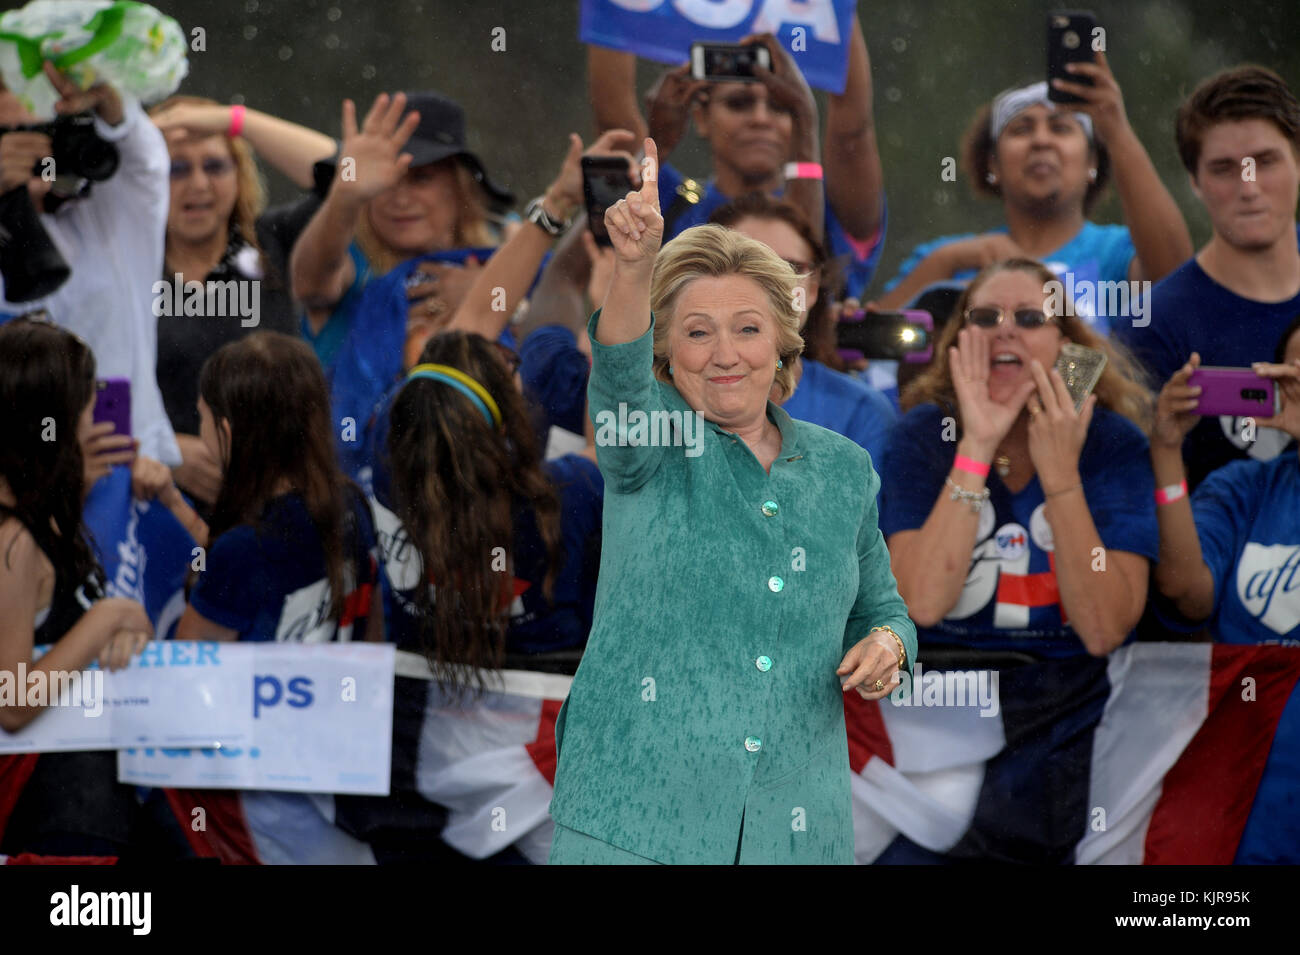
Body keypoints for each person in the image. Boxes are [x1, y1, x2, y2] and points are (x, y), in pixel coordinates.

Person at [547, 141, 916, 865]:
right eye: (696, 331)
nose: (725, 353)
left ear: (783, 340)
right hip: (631, 825)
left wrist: (889, 645)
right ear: (667, 351)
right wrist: (633, 267)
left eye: (747, 328)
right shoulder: (646, 439)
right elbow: (618, 379)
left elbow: (883, 607)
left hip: (796, 833)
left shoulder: (844, 467)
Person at [880, 258, 1156, 659]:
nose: (1005, 330)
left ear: (1065, 346)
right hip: (947, 702)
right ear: (961, 340)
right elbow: (921, 603)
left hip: (1077, 704)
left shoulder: (1113, 441)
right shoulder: (925, 432)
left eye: (1029, 318)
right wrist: (976, 447)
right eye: (986, 317)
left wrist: (1061, 475)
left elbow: (1102, 630)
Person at [877, 52, 1191, 328]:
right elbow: (868, 351)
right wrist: (948, 260)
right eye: (1021, 129)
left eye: (1061, 128)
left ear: (1093, 161)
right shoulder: (948, 259)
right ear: (992, 165)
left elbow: (1176, 278)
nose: (1041, 141)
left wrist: (1115, 127)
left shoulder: (1117, 254)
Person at [588, 20, 886, 299]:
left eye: (781, 106)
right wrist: (658, 142)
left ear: (801, 110)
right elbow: (613, 116)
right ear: (701, 117)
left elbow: (852, 135)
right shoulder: (664, 202)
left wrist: (835, 12)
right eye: (739, 103)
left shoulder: (832, 211)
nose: (760, 118)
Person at [0, 319, 154, 857]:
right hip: (53, 820)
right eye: (87, 409)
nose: (96, 421)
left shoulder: (42, 516)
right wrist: (109, 617)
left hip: (94, 801)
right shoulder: (12, 540)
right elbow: (12, 701)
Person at [131, 332, 382, 644]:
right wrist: (173, 502)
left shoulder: (242, 552)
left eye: (202, 416)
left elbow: (188, 675)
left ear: (227, 431)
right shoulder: (351, 505)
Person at [1117, 66, 1300, 490]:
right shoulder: (1150, 326)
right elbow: (1129, 504)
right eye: (1224, 168)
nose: (1249, 187)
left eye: (1265, 162)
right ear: (1195, 183)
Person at [148, 96, 336, 507]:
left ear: (239, 175)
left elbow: (341, 172)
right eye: (175, 168)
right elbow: (103, 384)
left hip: (280, 504)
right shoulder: (126, 269)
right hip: (165, 503)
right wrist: (159, 446)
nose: (198, 183)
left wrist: (234, 120)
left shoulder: (273, 246)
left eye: (214, 165)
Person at [0, 63, 178, 465]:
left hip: (131, 477)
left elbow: (144, 159)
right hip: (17, 491)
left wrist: (109, 102)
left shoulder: (112, 221)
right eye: (6, 137)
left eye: (36, 132)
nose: (24, 150)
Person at [290, 91, 511, 370]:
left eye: (421, 178)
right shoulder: (351, 262)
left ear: (460, 187)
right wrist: (344, 196)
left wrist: (491, 297)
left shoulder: (501, 255)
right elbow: (310, 285)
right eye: (387, 180)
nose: (401, 199)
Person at [709, 193, 896, 464]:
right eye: (747, 264)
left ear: (812, 287)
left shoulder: (861, 412)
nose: (770, 283)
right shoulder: (658, 404)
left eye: (789, 267)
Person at [1149, 316, 1300, 645]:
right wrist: (1166, 450)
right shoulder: (1242, 487)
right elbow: (1187, 595)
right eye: (1294, 373)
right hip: (1255, 693)